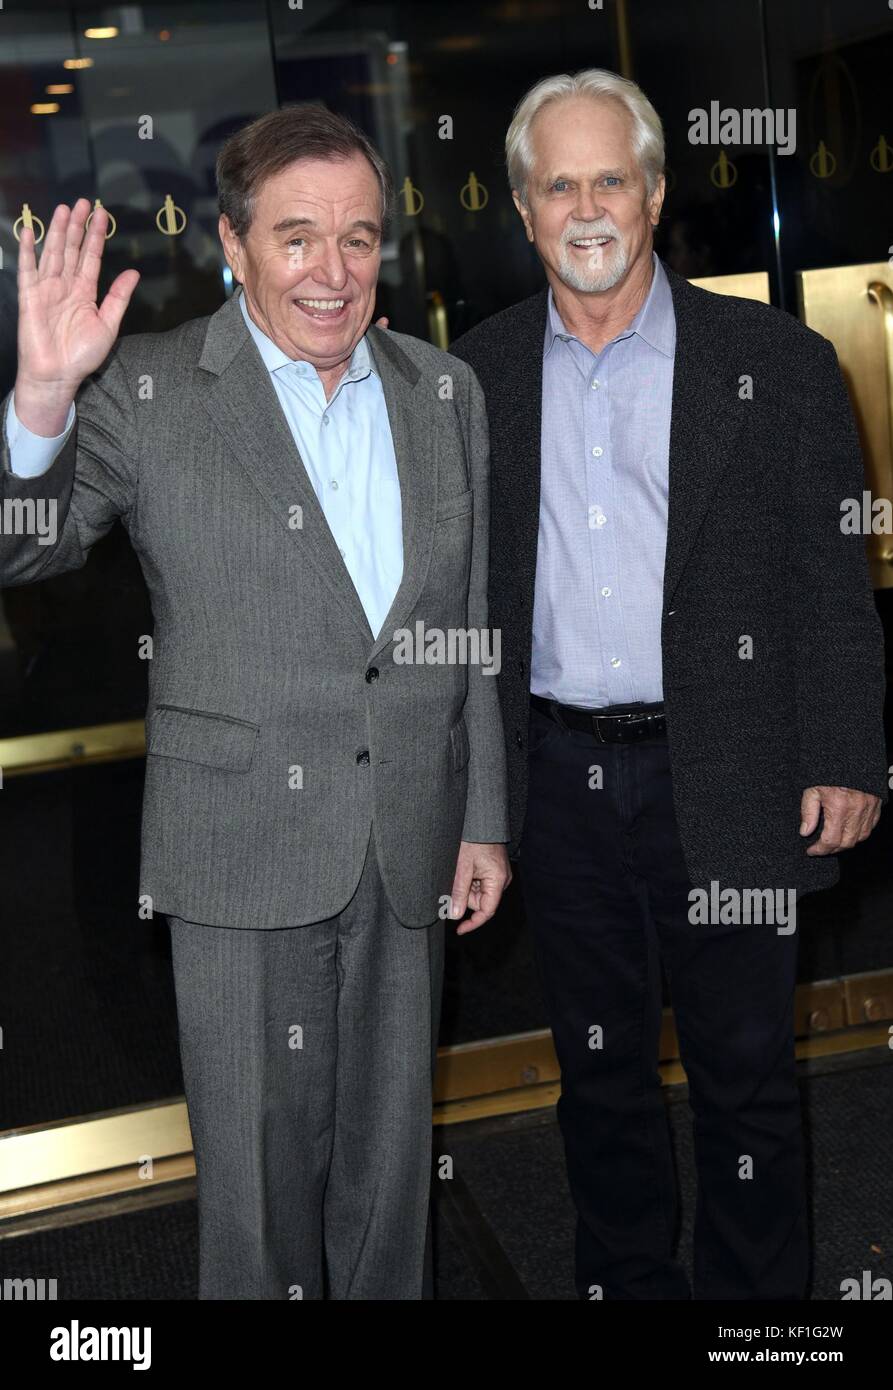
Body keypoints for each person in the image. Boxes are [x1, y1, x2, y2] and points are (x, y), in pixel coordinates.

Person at [0, 104, 511, 1300]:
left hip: (406, 846)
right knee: (259, 1194)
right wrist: (37, 399)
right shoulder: (154, 388)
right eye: (295, 238)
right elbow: (21, 547)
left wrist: (480, 811)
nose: (330, 272)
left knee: (391, 1181)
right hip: (238, 856)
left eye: (356, 237)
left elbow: (465, 625)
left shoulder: (444, 393)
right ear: (231, 245)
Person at [450, 69, 887, 1300]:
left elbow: (826, 574)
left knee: (746, 1072)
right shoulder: (470, 382)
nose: (584, 207)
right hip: (559, 783)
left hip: (736, 771)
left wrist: (847, 747)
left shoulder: (777, 362)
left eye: (608, 179)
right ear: (525, 212)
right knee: (596, 1078)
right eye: (556, 185)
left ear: (649, 194)